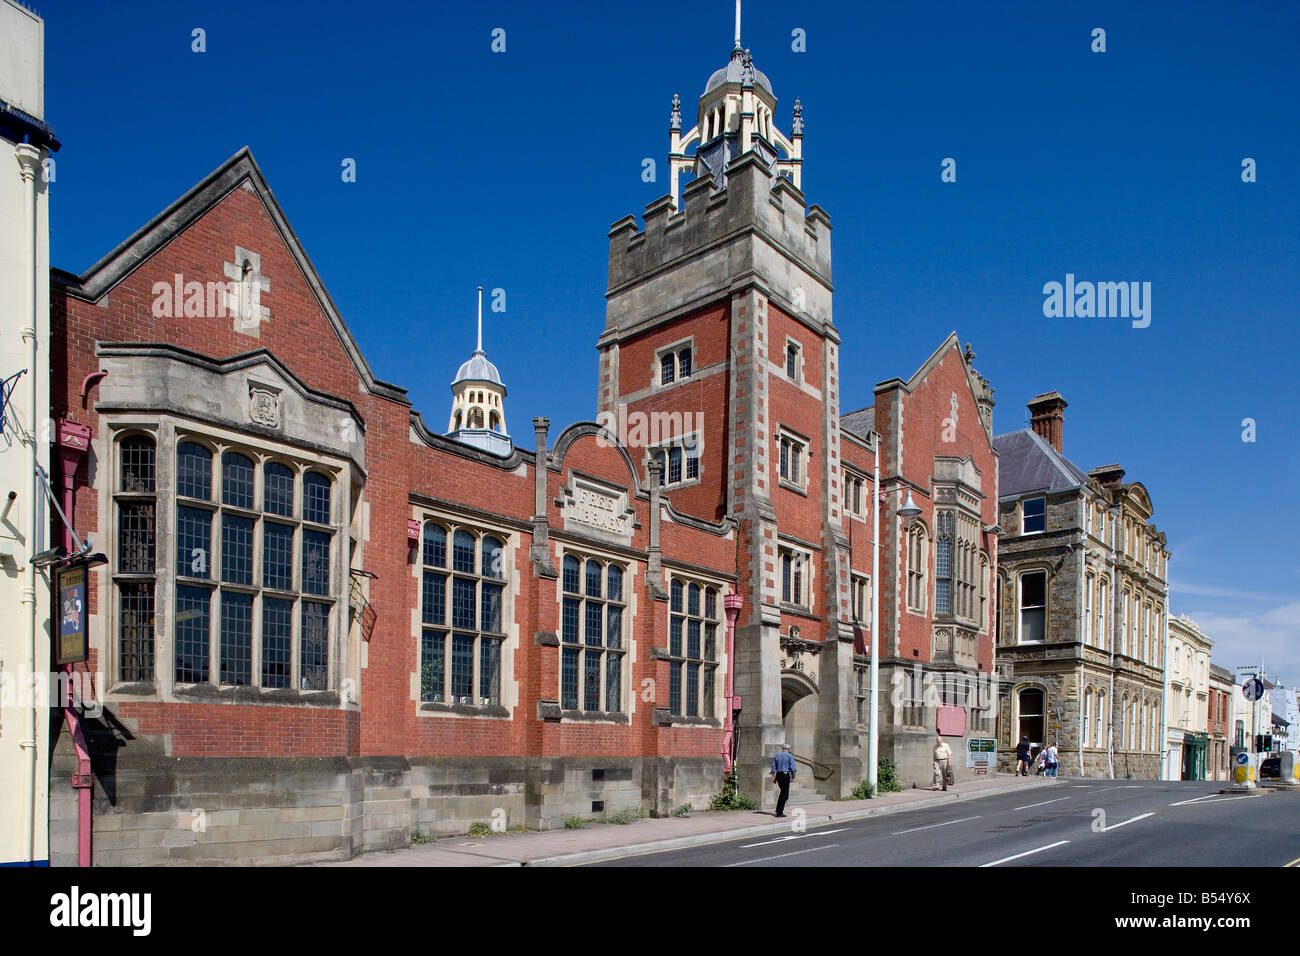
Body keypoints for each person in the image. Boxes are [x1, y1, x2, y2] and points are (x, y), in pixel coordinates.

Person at [771, 744, 796, 817]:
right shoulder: (789, 756)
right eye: (789, 749)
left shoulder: (777, 755)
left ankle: (778, 809)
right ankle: (779, 812)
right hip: (785, 775)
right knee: (785, 795)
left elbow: (773, 767)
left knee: (782, 793)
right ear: (788, 748)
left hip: (778, 775)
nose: (789, 750)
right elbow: (792, 767)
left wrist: (773, 776)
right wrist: (793, 774)